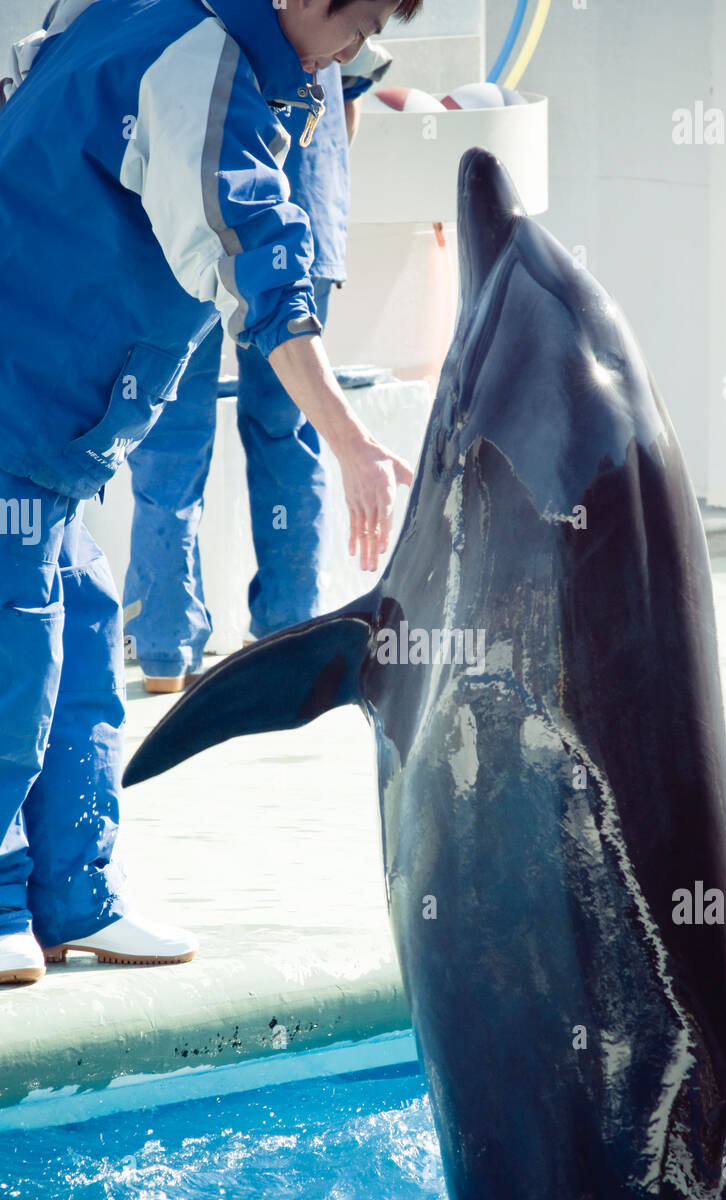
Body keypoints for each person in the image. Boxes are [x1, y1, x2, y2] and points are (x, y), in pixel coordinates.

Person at [0, 0, 421, 986]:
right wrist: (352, 440)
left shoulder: (190, 28)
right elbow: (258, 256)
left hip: (56, 429)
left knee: (80, 628)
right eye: (356, 28)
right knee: (13, 649)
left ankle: (72, 896)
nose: (354, 55)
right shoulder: (200, 66)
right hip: (19, 399)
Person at [124, 43, 390, 692]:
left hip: (192, 245)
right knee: (286, 433)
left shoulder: (197, 22)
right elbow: (346, 116)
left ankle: (166, 649)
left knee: (170, 440)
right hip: (302, 232)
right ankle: (288, 632)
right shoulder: (335, 32)